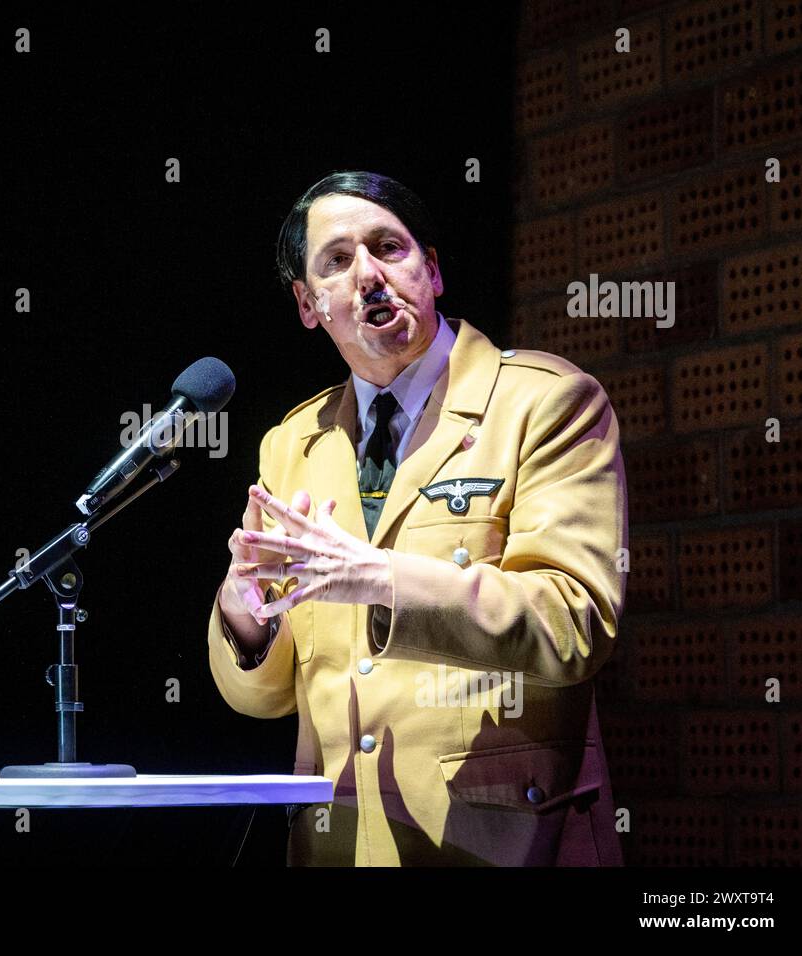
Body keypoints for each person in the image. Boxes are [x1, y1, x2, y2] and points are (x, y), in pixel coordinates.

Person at [208, 170, 627, 866]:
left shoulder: (545, 403)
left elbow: (573, 623)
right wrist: (244, 614)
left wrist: (381, 579)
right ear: (309, 304)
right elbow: (268, 697)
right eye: (336, 262)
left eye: (389, 248)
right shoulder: (291, 442)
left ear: (431, 271)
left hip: (502, 842)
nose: (368, 275)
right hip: (337, 843)